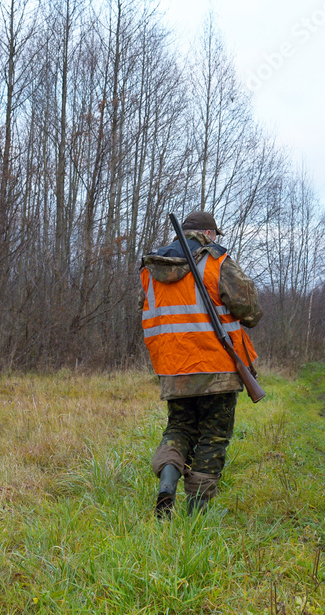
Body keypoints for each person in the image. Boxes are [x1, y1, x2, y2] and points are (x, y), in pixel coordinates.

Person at [140, 210, 263, 519]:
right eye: (215, 235)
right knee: (213, 436)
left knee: (179, 427)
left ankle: (168, 480)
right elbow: (249, 310)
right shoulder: (215, 261)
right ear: (209, 234)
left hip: (174, 369)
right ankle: (196, 513)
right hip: (217, 369)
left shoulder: (151, 268)